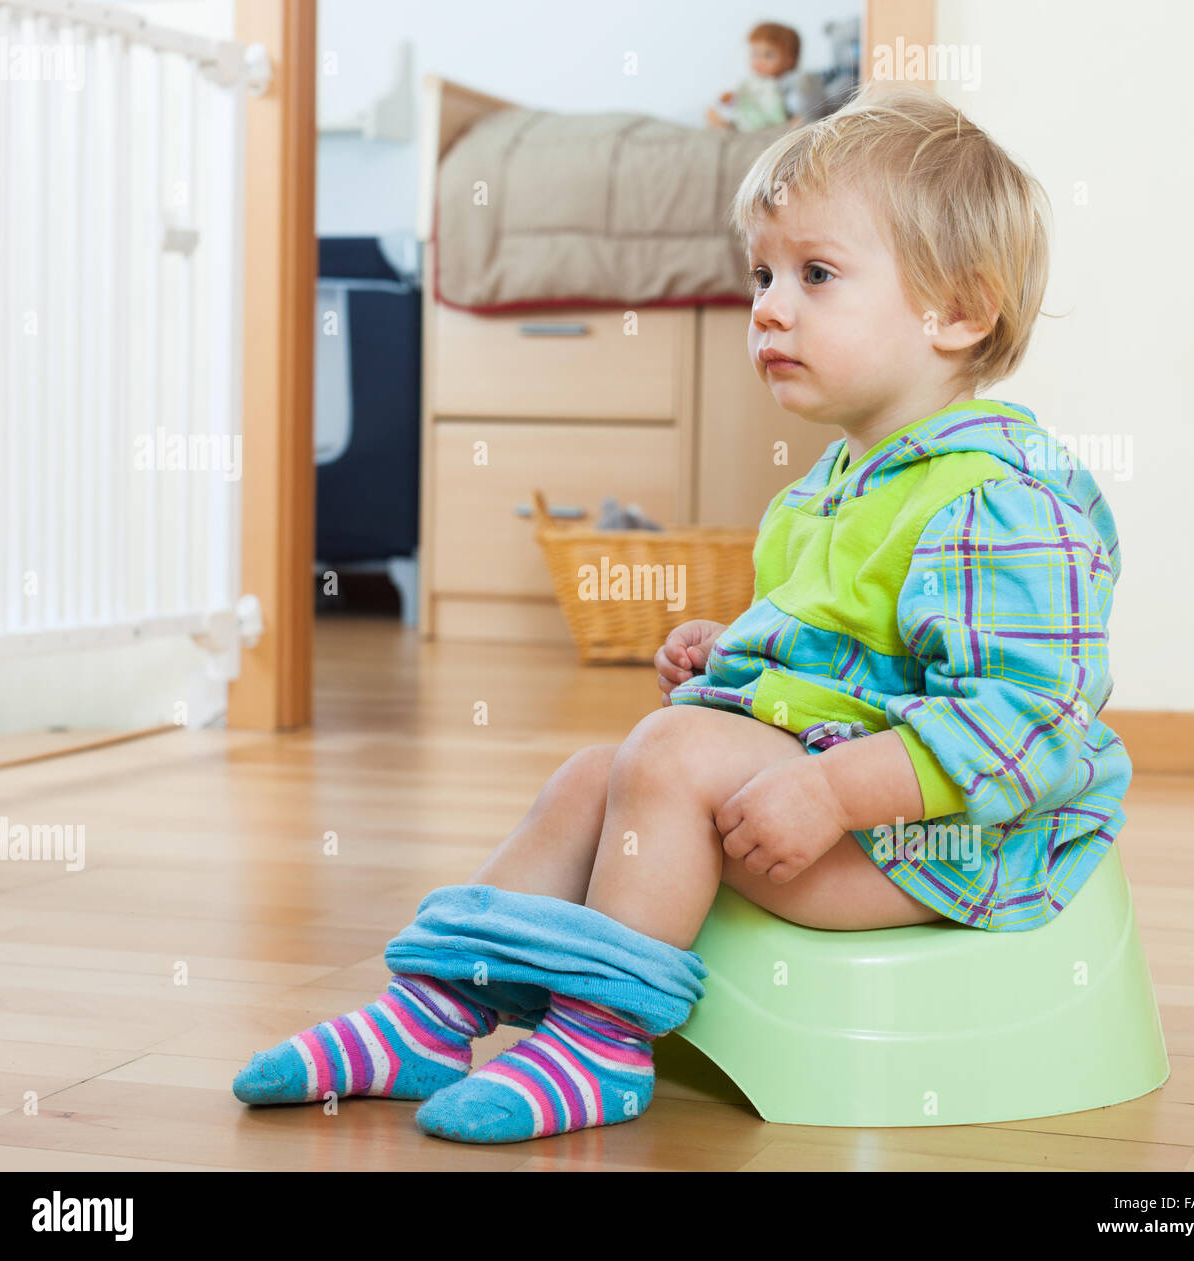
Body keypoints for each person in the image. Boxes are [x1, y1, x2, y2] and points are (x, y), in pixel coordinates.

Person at [232, 82, 1133, 1145]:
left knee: (663, 759)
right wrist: (738, 658)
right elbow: (847, 666)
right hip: (858, 803)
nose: (766, 305)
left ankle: (601, 1041)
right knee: (592, 775)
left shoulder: (999, 499)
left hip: (961, 844)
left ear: (957, 310)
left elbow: (1035, 726)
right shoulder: (827, 490)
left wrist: (835, 788)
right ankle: (431, 1012)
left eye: (816, 274)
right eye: (761, 273)